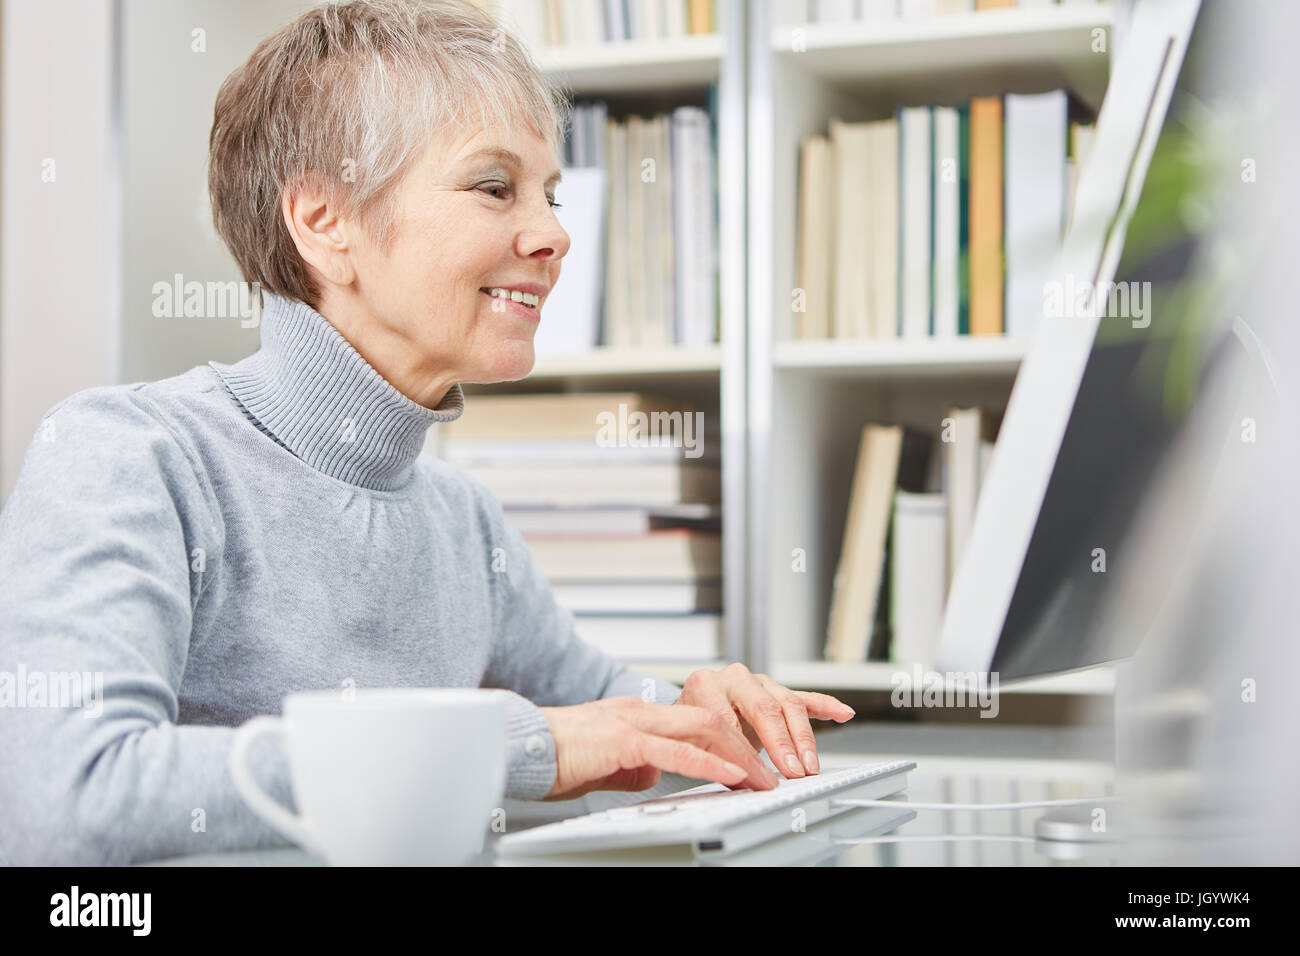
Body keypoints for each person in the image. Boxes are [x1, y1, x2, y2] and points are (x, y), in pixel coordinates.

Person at [0, 0, 853, 866]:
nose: (556, 233)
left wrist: (706, 713)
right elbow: (66, 794)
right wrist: (513, 748)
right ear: (324, 222)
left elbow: (605, 720)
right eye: (494, 187)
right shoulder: (127, 456)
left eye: (551, 195)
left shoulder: (459, 518)